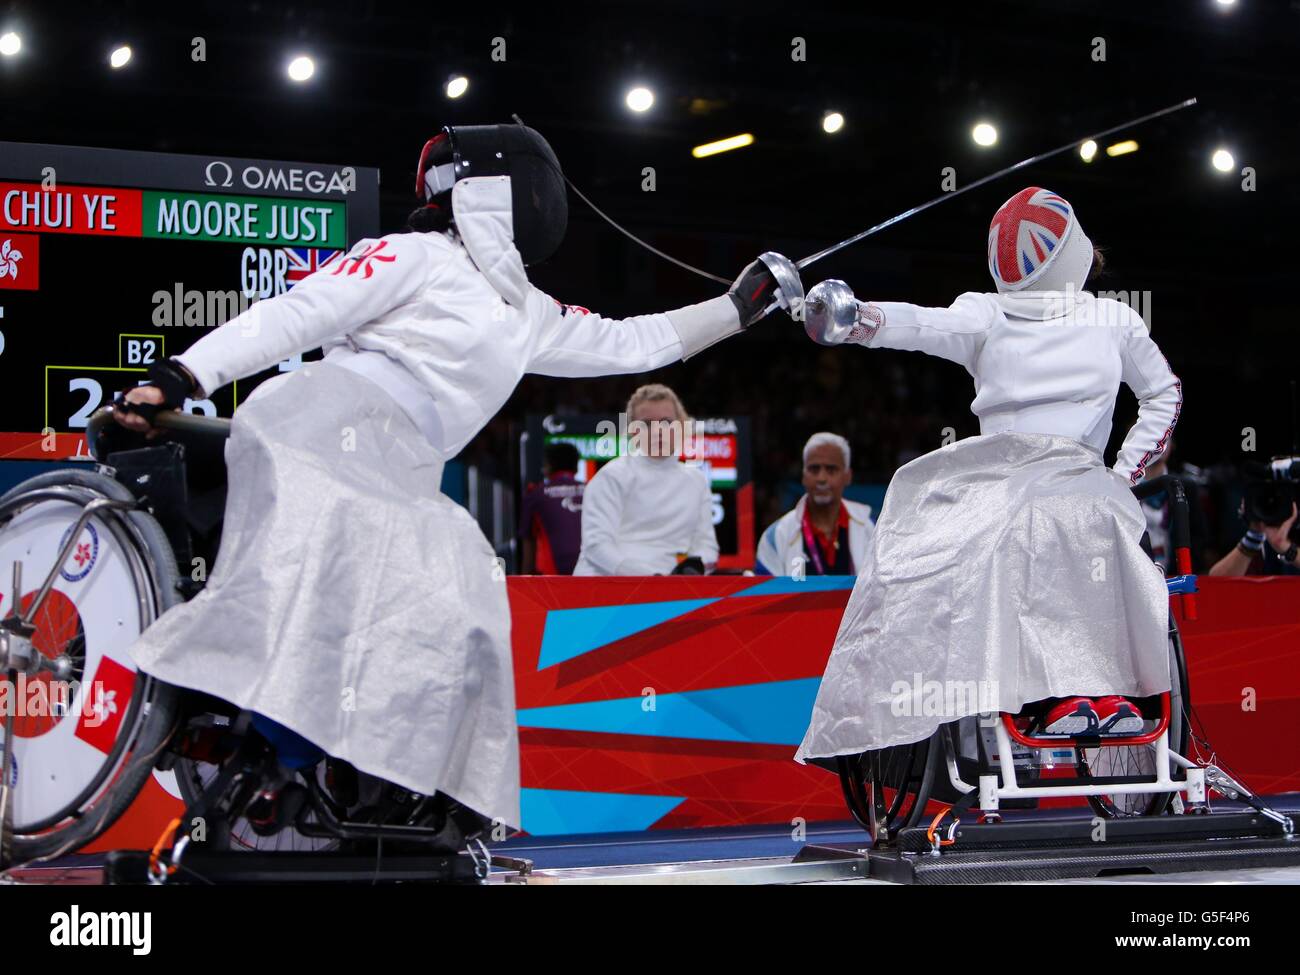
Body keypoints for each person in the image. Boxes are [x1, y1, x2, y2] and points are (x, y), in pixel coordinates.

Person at [113, 122, 791, 831]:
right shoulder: (413, 256)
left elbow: (632, 340)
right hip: (324, 431)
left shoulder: (528, 311)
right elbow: (301, 310)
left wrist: (738, 308)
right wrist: (184, 373)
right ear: (495, 190)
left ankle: (372, 781)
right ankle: (246, 726)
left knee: (464, 584)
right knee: (367, 554)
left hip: (403, 473)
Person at [796, 186, 1182, 760]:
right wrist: (857, 320)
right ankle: (1032, 693)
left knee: (1085, 521)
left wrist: (1124, 473)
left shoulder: (1113, 319)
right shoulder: (986, 312)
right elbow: (922, 325)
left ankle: (1101, 690)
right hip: (1000, 476)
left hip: (1079, 480)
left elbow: (1163, 394)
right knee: (1019, 527)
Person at [573, 384, 719, 576]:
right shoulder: (612, 476)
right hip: (606, 587)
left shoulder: (696, 481)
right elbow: (597, 546)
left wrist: (692, 570)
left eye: (666, 422)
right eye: (647, 424)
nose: (658, 430)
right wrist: (649, 578)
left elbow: (706, 546)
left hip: (670, 589)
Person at [755, 432, 875, 577]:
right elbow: (765, 597)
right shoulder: (775, 537)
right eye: (814, 469)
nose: (821, 478)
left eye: (831, 470)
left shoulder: (873, 530)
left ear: (847, 476)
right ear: (804, 476)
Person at [518, 441, 585, 574]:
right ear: (576, 467)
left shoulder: (535, 494)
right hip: (592, 574)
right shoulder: (594, 489)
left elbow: (528, 544)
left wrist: (525, 582)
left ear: (548, 466)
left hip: (552, 580)